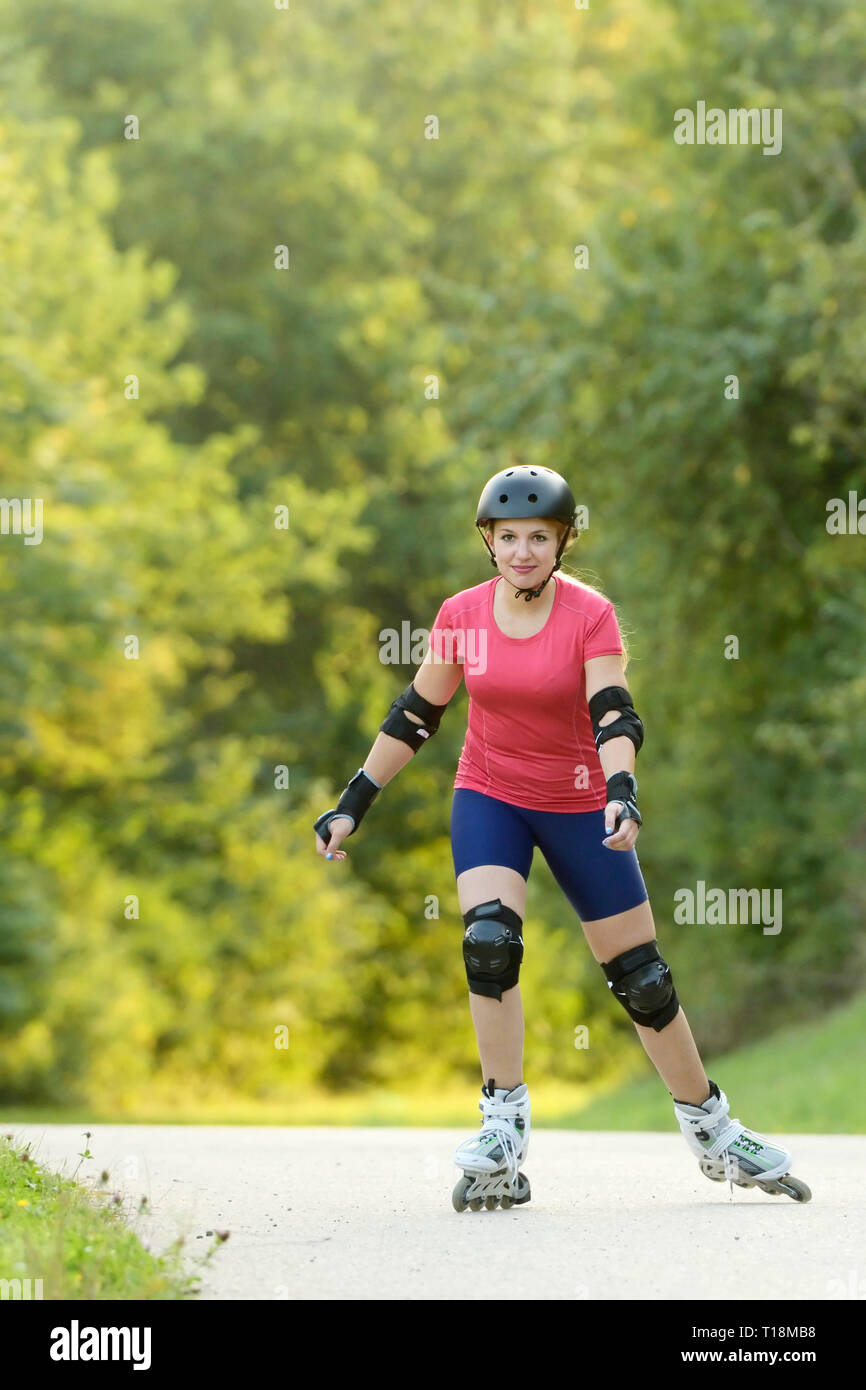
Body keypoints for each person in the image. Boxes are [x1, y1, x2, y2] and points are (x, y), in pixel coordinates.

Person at [313, 465, 810, 1211]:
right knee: (489, 943)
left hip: (580, 804)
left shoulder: (590, 615)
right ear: (488, 540)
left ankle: (714, 1132)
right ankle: (502, 1130)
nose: (522, 552)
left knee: (642, 980)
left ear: (563, 541)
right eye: (508, 537)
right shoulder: (460, 616)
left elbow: (613, 711)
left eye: (539, 538)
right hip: (491, 796)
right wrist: (352, 801)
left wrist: (620, 790)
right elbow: (416, 714)